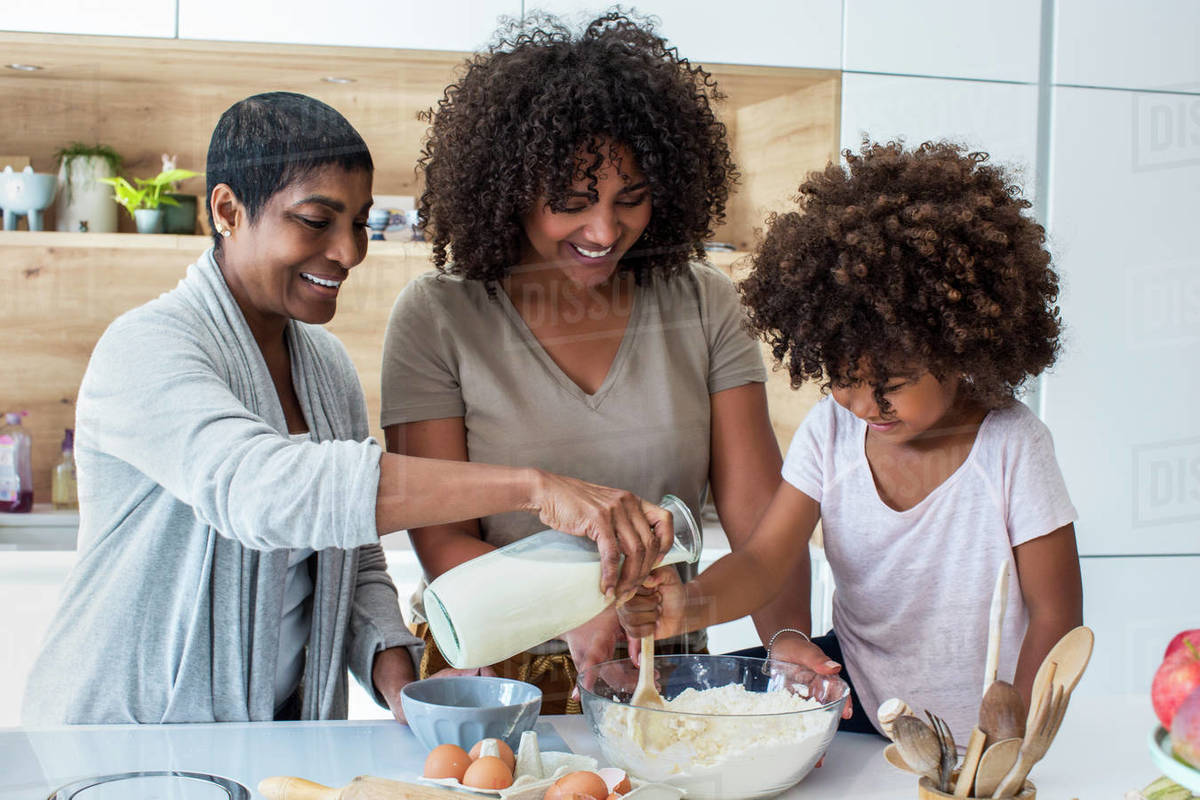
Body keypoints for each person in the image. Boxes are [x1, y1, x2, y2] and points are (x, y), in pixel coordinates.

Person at [20, 92, 671, 726]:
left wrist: (403, 680)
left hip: (277, 733)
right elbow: (263, 492)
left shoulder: (325, 368)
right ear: (227, 210)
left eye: (358, 222)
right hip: (120, 740)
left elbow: (353, 560)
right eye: (316, 220)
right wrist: (534, 487)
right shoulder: (149, 347)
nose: (349, 250)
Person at [380, 11, 788, 713]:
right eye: (572, 203)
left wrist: (785, 640)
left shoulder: (706, 303)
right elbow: (441, 539)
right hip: (492, 672)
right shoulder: (437, 317)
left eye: (631, 200)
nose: (605, 231)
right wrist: (571, 611)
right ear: (509, 190)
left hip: (657, 663)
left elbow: (760, 521)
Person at [619, 140, 1084, 739]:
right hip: (855, 701)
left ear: (959, 350)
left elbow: (1058, 614)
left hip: (980, 731)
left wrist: (1013, 730)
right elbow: (763, 561)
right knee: (683, 706)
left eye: (891, 383)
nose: (865, 405)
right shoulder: (832, 431)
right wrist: (691, 603)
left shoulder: (1013, 446)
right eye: (843, 379)